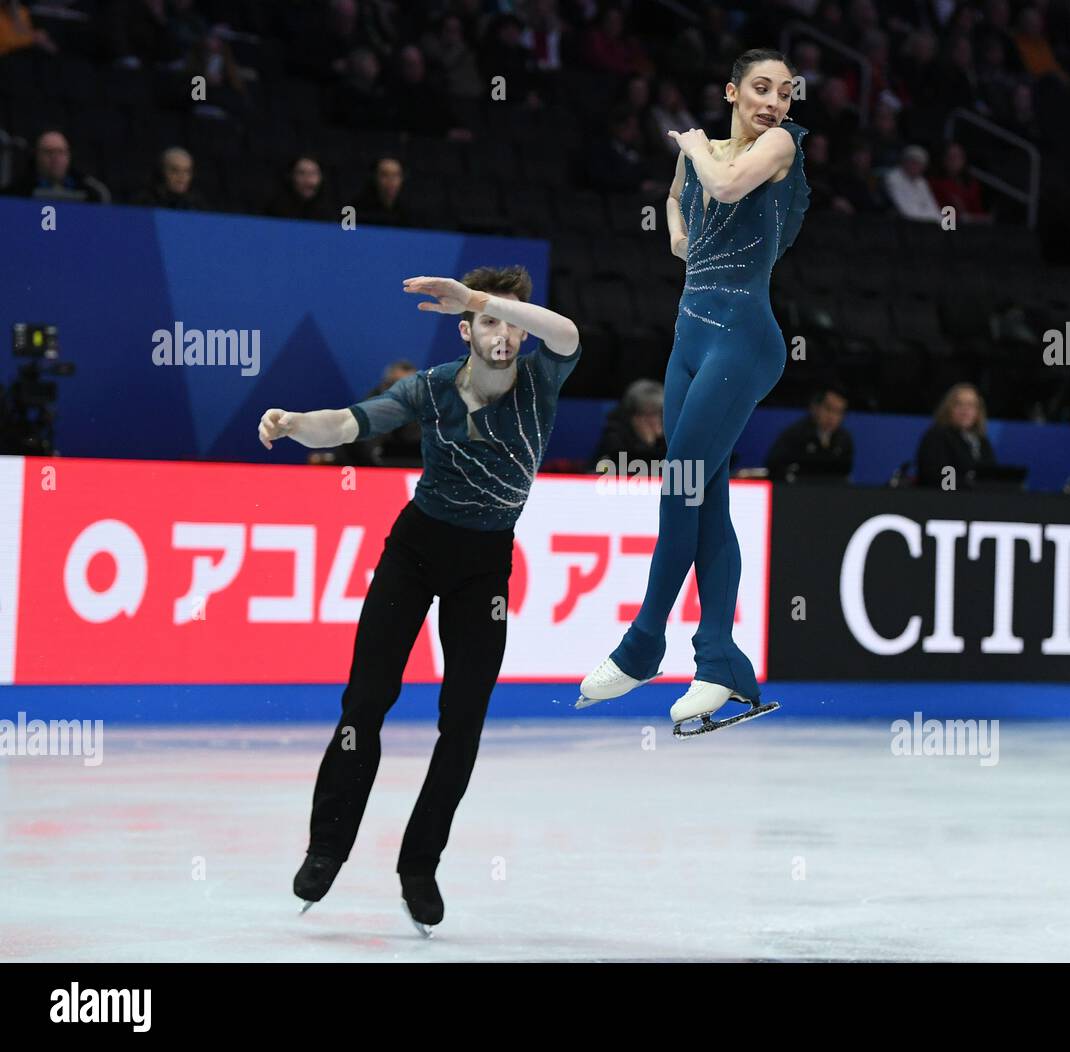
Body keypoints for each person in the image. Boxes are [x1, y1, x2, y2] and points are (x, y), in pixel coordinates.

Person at [259, 266, 581, 932]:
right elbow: (348, 423)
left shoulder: (543, 379)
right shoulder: (432, 388)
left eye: (512, 320)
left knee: (462, 722)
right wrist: (293, 424)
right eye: (489, 320)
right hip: (413, 554)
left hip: (485, 568)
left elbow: (569, 333)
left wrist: (488, 300)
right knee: (366, 700)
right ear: (465, 332)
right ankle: (327, 848)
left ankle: (419, 865)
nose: (504, 330)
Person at [579, 48, 810, 733]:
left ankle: (644, 643)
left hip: (744, 338)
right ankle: (721, 662)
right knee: (704, 495)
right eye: (761, 89)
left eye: (786, 92)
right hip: (689, 340)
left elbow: (729, 185)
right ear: (732, 90)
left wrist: (688, 145)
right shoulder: (700, 153)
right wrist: (683, 206)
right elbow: (681, 217)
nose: (774, 101)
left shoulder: (778, 145)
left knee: (681, 480)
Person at [915, 383, 996, 490]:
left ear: (978, 411)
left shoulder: (982, 440)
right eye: (959, 404)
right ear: (948, 408)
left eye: (971, 405)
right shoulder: (937, 436)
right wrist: (970, 485)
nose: (965, 410)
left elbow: (991, 473)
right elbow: (936, 476)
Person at [764, 386, 853, 482]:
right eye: (828, 409)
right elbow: (774, 465)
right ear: (815, 407)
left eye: (839, 412)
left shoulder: (844, 439)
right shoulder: (795, 434)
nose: (832, 416)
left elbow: (845, 472)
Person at [590, 379, 667, 472]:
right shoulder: (615, 433)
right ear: (635, 416)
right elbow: (614, 465)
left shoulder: (667, 435)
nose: (657, 419)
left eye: (659, 412)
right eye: (651, 413)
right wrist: (648, 444)